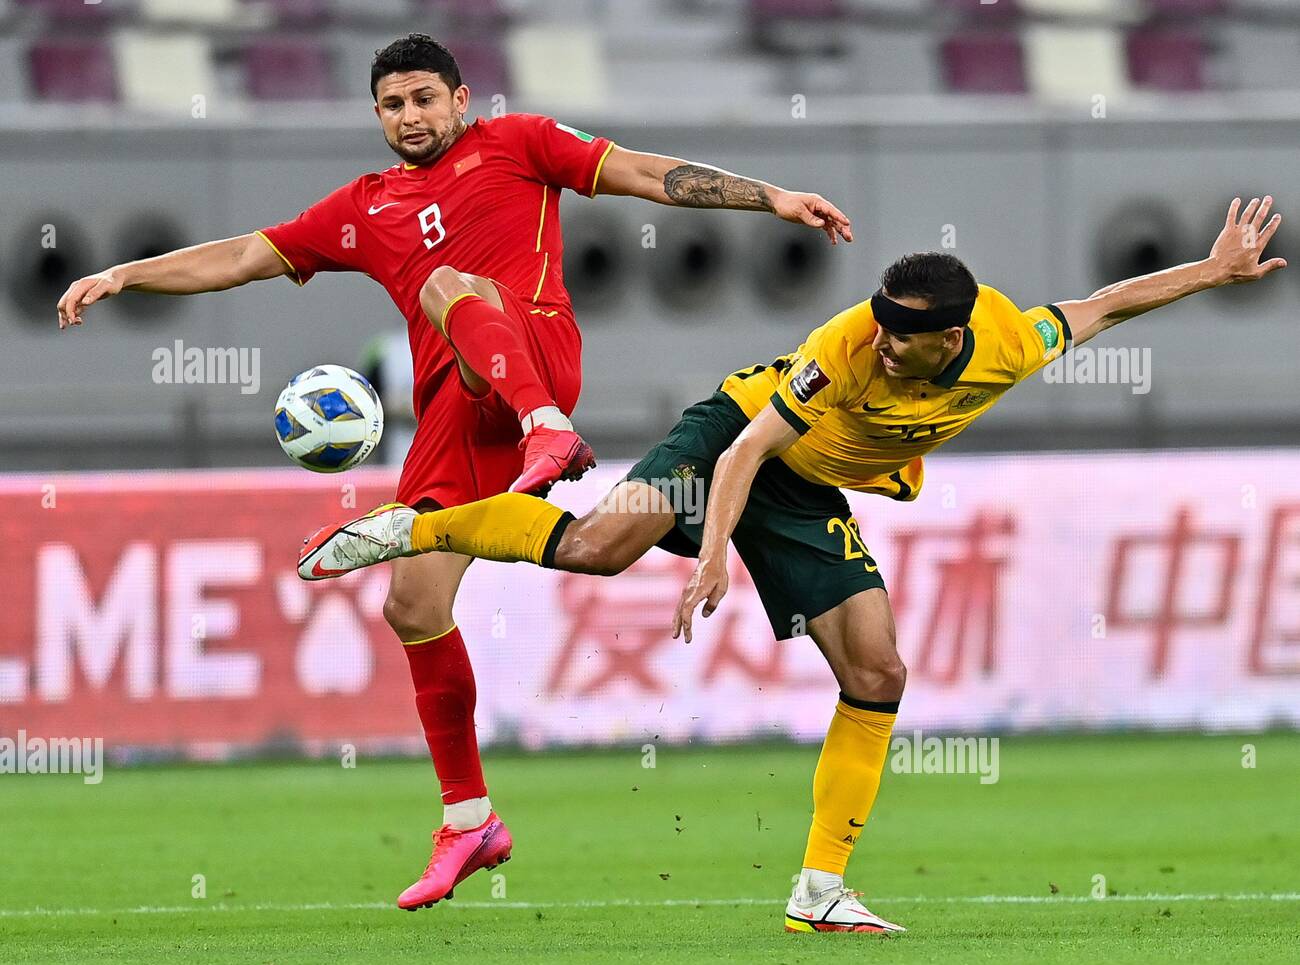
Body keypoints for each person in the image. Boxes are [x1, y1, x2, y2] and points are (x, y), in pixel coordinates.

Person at [299, 196, 1284, 930]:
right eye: (880, 331)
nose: (885, 351)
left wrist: (1210, 269)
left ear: (953, 335)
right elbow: (740, 454)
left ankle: (819, 888)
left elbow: (1101, 306)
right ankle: (420, 529)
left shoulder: (1006, 344)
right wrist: (712, 555)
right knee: (603, 545)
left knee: (877, 671)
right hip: (731, 437)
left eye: (906, 342)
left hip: (806, 494)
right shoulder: (841, 346)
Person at [55, 32, 854, 912]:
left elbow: (645, 174)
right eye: (393, 105)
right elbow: (242, 255)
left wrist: (770, 196)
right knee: (413, 605)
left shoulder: (520, 144)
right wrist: (123, 273)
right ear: (377, 115)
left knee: (445, 285)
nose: (411, 117)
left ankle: (549, 430)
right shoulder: (361, 208)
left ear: (462, 99)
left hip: (534, 359)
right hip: (452, 416)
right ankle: (469, 818)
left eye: (425, 99)